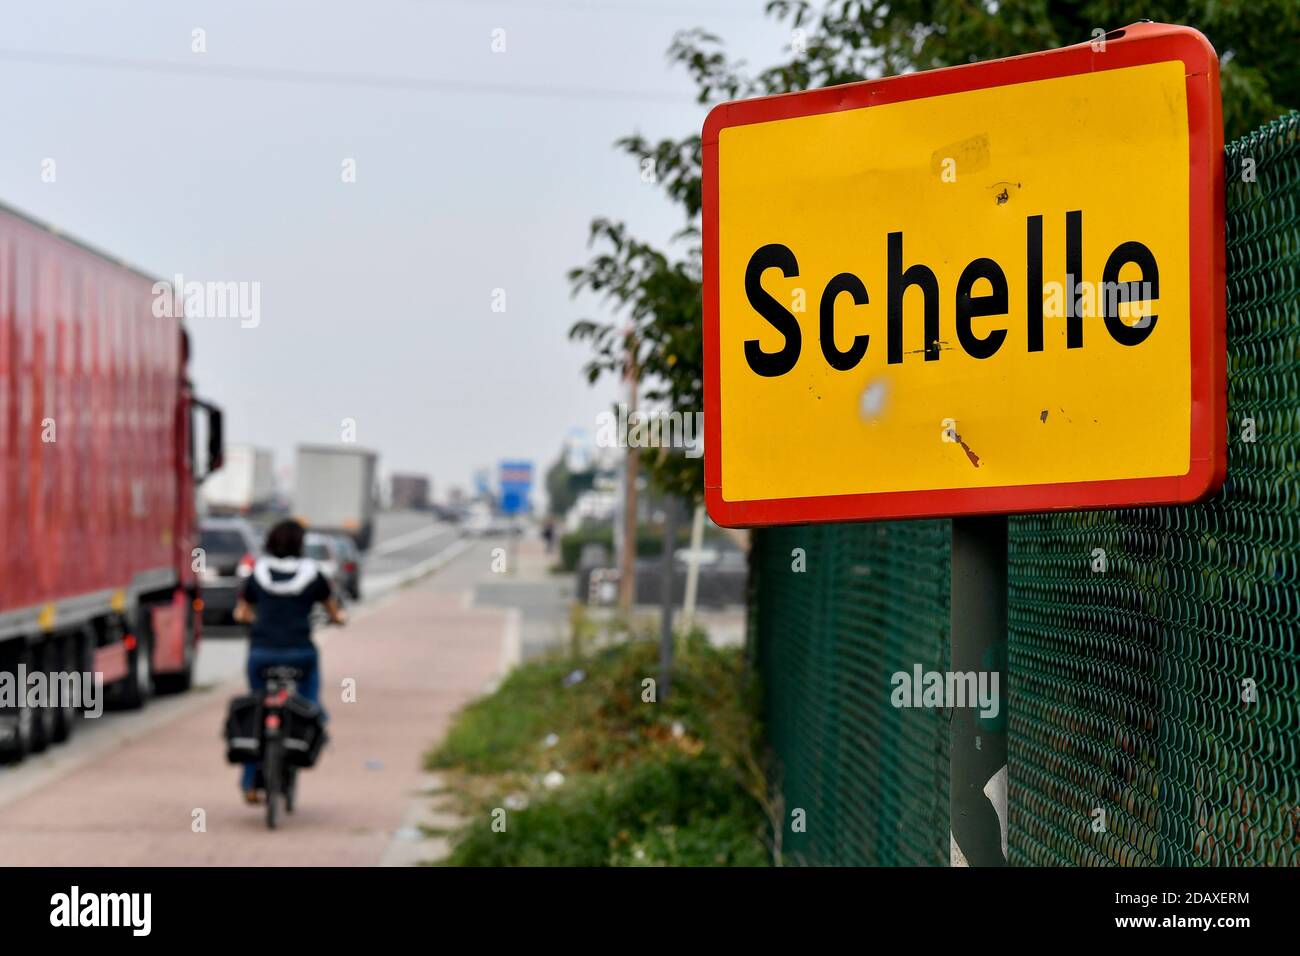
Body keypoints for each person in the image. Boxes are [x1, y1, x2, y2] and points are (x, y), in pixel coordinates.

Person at [232, 519, 346, 803]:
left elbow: (242, 611)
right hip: (300, 653)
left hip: (261, 655)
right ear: (300, 544)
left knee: (256, 710)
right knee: (309, 700)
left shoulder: (257, 573)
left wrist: (252, 618)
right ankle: (316, 720)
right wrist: (338, 619)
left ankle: (249, 784)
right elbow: (333, 610)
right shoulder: (313, 574)